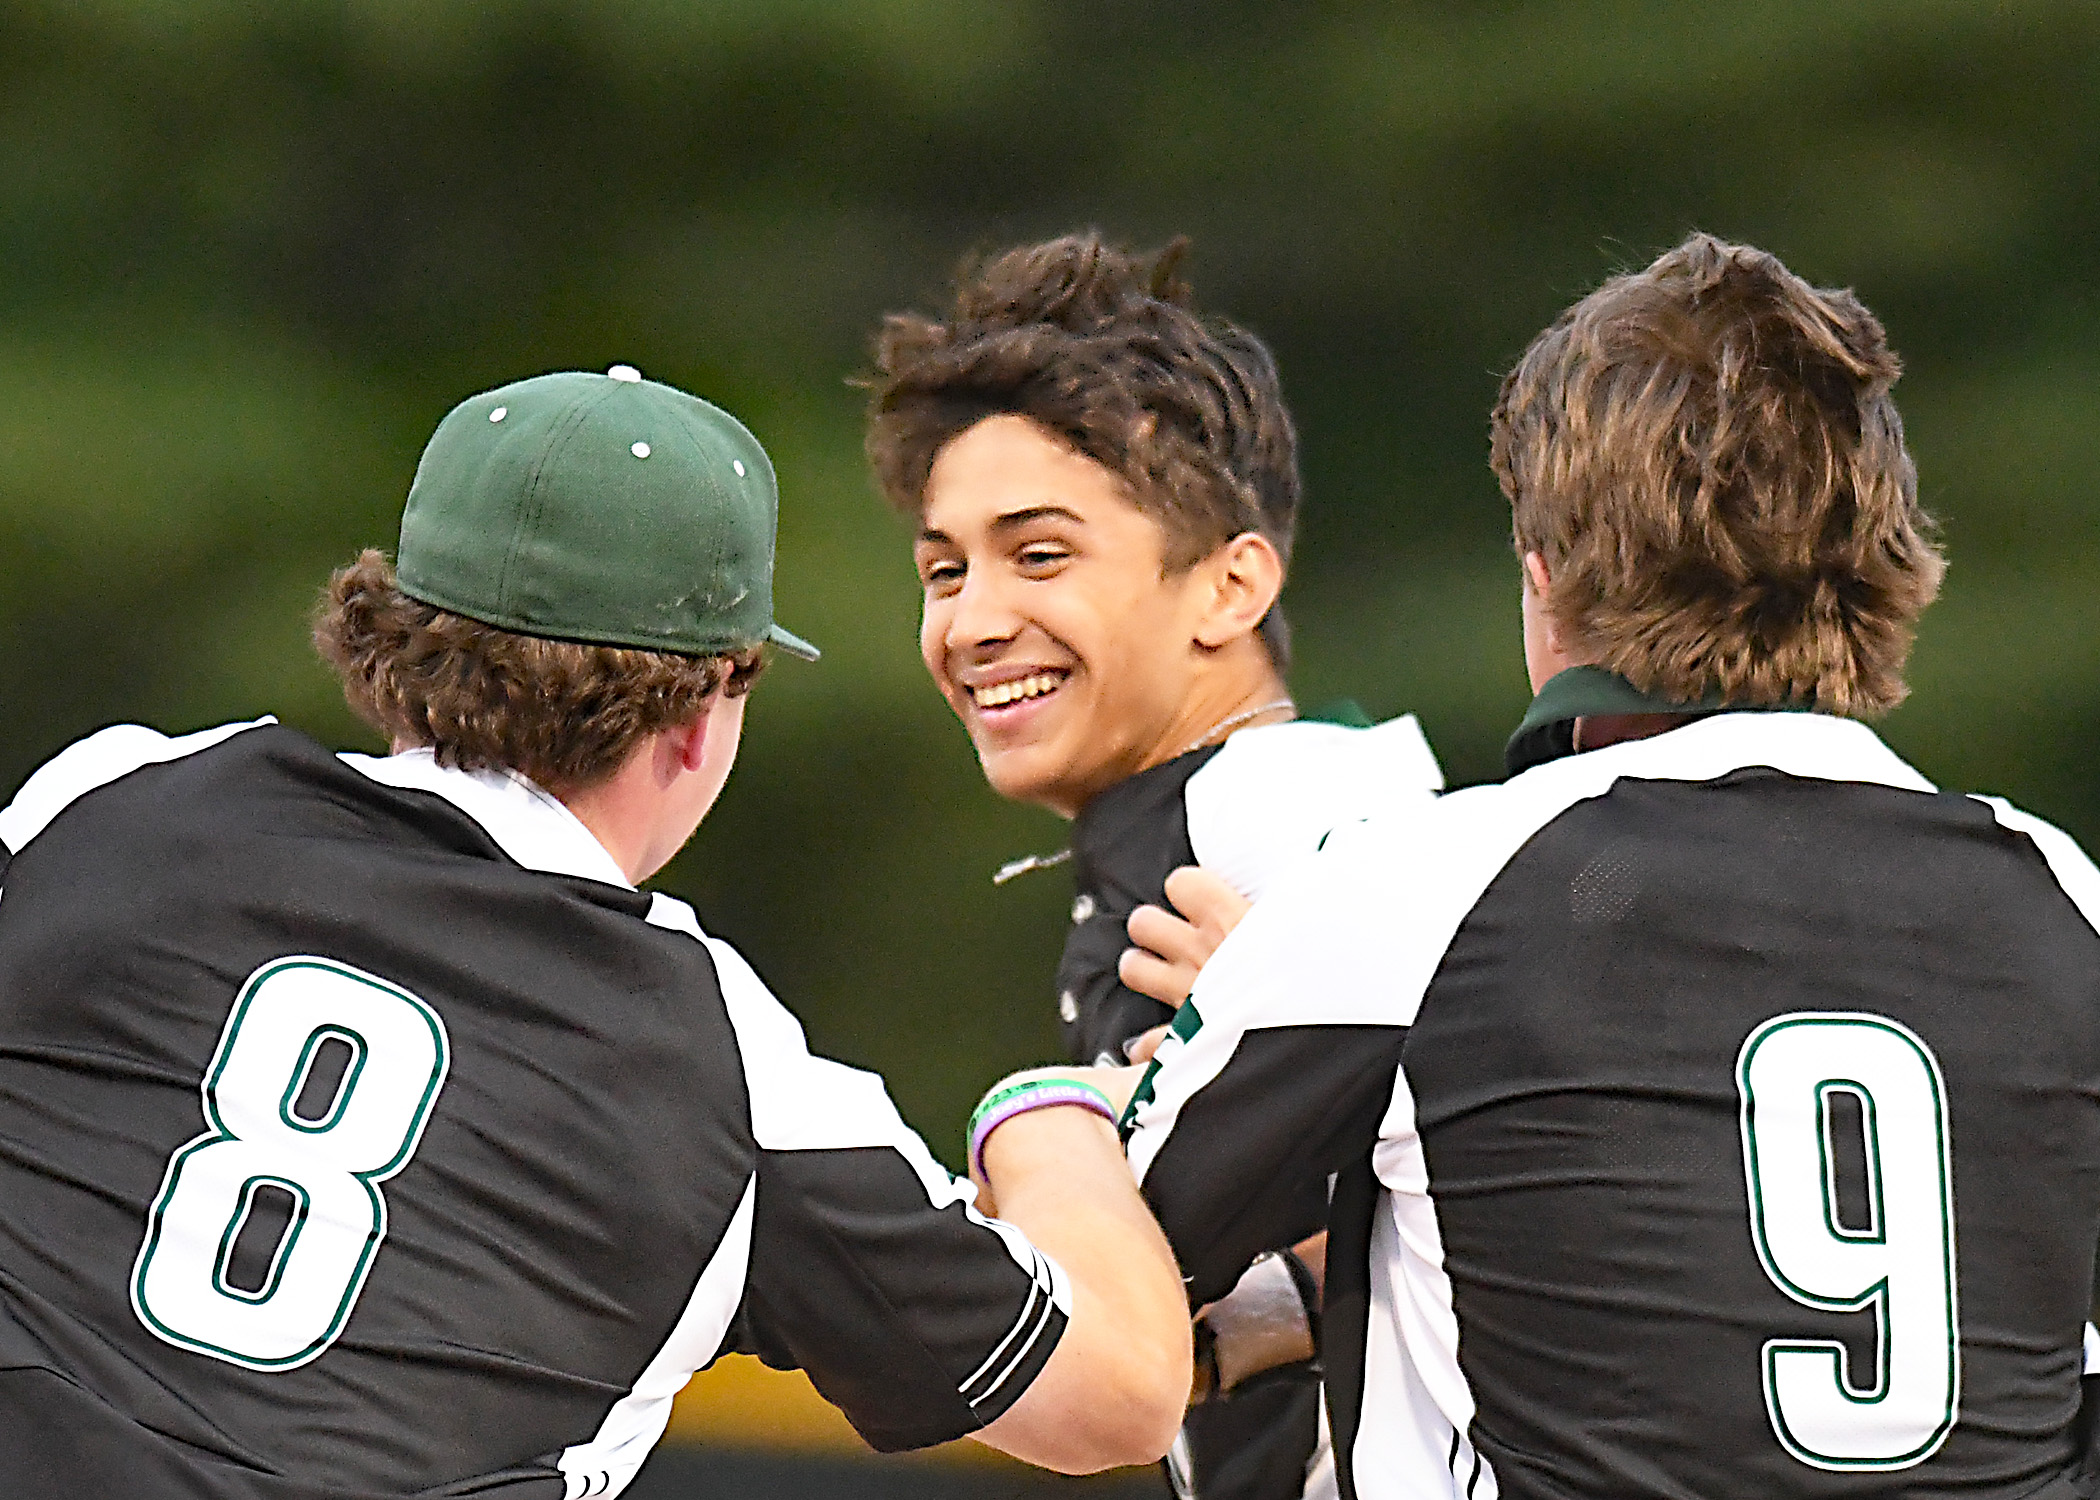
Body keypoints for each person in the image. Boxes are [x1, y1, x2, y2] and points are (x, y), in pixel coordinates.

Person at [0, 366, 1189, 1498]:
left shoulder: (112, 803)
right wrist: (1050, 1119)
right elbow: (1123, 1397)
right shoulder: (733, 1071)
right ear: (699, 717)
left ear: (393, 640)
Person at [1116, 235, 2100, 1499]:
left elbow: (1087, 1269)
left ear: (1544, 573)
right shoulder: (2063, 898)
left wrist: (1096, 1099)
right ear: (1888, 566)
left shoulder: (1416, 892)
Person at [864, 233, 1444, 1500]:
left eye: (1041, 554)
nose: (972, 620)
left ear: (1230, 587)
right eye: (943, 569)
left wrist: (1330, 1070)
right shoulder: (1194, 818)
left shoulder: (1279, 808)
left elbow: (1524, 1184)